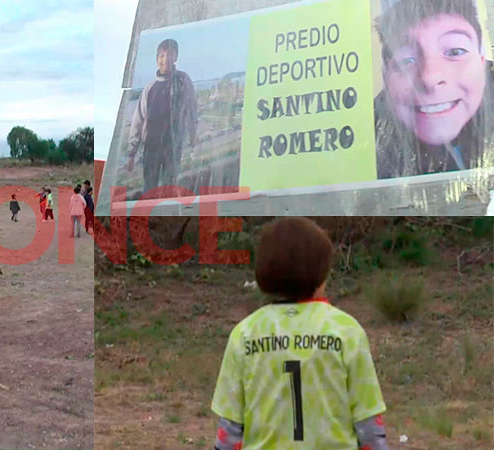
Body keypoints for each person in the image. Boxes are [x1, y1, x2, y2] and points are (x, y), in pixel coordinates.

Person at [211, 218, 388, 450]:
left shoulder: (244, 334)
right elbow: (369, 427)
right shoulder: (347, 331)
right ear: (321, 274)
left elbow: (230, 431)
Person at [375, 0, 494, 178]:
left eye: (455, 52)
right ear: (386, 77)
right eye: (406, 60)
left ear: (482, 62)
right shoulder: (369, 133)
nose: (429, 78)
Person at [126, 38, 198, 196]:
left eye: (168, 55)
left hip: (172, 147)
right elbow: (138, 121)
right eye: (160, 55)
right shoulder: (150, 88)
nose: (164, 59)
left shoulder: (183, 80)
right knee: (149, 189)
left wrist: (193, 136)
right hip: (151, 149)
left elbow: (192, 109)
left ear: (176, 58)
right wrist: (131, 153)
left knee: (168, 189)